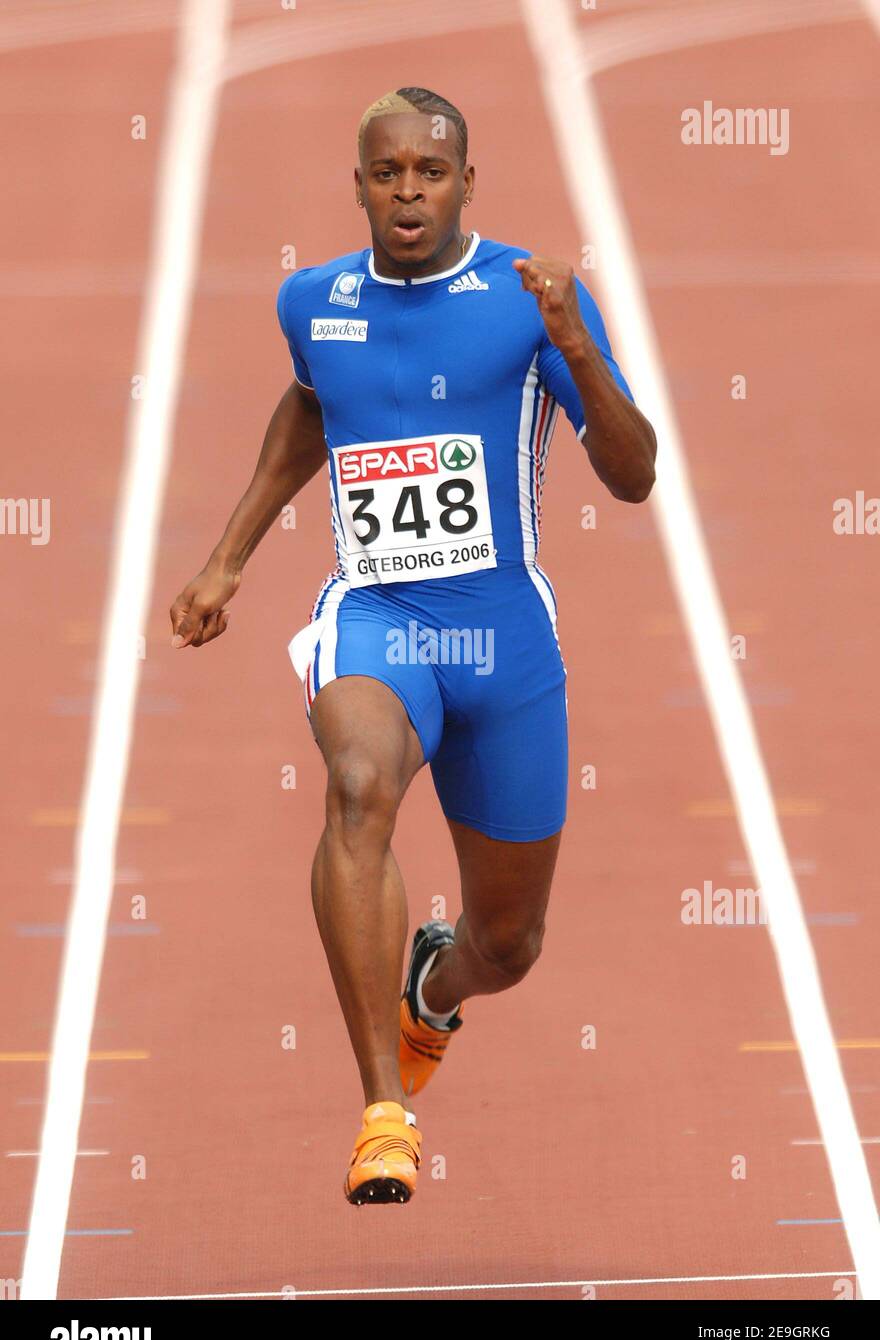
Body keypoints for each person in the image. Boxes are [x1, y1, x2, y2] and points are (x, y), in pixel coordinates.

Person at [170, 87, 656, 1206]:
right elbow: (309, 408)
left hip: (504, 640)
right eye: (385, 173)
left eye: (428, 174)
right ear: (357, 186)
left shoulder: (530, 297)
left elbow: (633, 476)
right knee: (355, 782)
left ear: (465, 186)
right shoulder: (313, 300)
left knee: (512, 940)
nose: (406, 192)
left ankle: (434, 981)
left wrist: (577, 347)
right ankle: (383, 1112)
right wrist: (228, 557)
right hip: (377, 616)